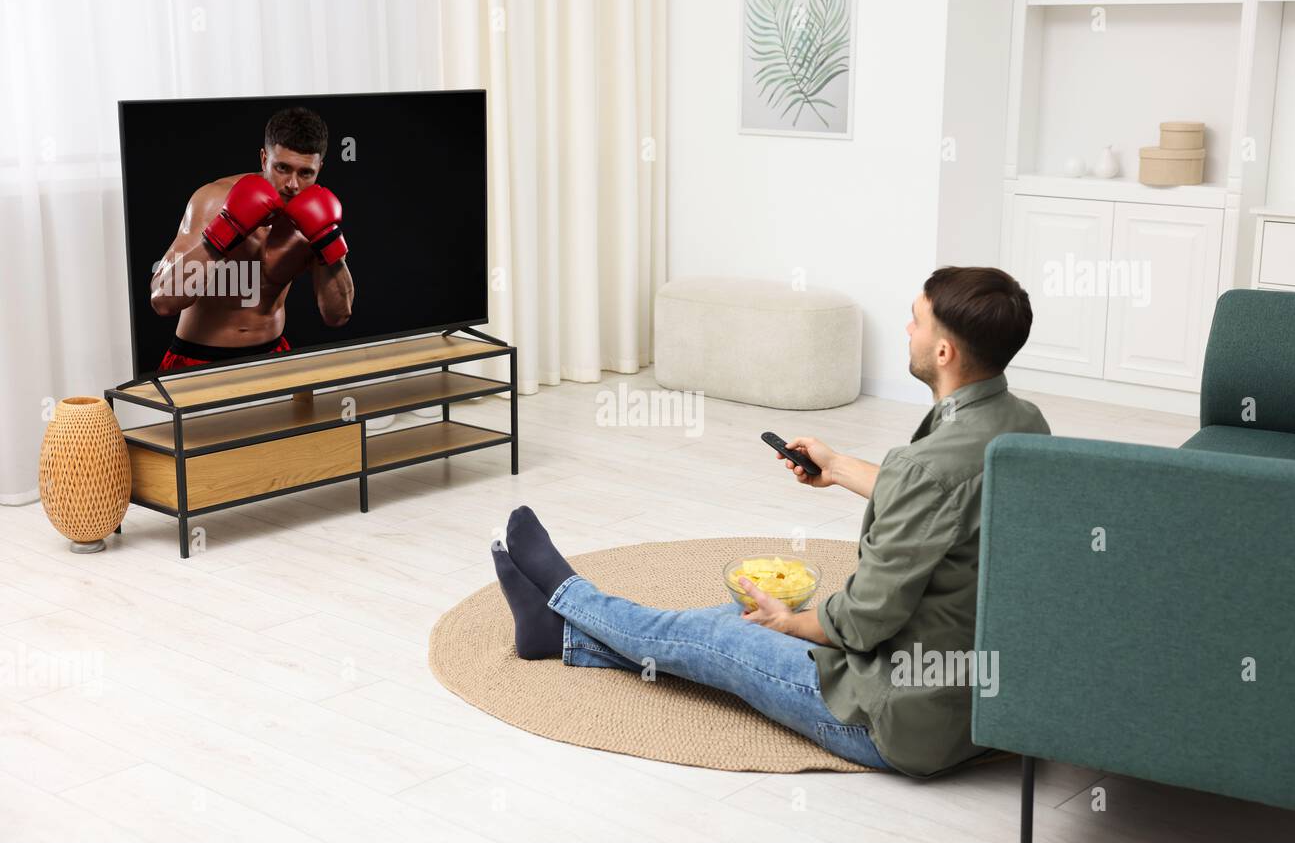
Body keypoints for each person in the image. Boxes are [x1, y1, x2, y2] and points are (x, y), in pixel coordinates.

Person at [490, 266, 1051, 777]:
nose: (907, 330)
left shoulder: (924, 469)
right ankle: (555, 636)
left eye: (917, 320)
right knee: (735, 617)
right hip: (985, 699)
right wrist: (837, 468)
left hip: (896, 719)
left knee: (723, 628)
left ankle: (569, 595)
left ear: (946, 351)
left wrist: (791, 623)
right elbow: (948, 501)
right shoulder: (1023, 426)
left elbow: (861, 622)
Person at [148, 106, 354, 372]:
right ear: (263, 158)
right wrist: (224, 232)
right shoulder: (212, 201)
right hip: (198, 358)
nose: (292, 184)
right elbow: (163, 301)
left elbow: (338, 315)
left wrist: (328, 242)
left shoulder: (318, 219)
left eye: (305, 173)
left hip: (272, 357)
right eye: (282, 168)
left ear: (319, 168)